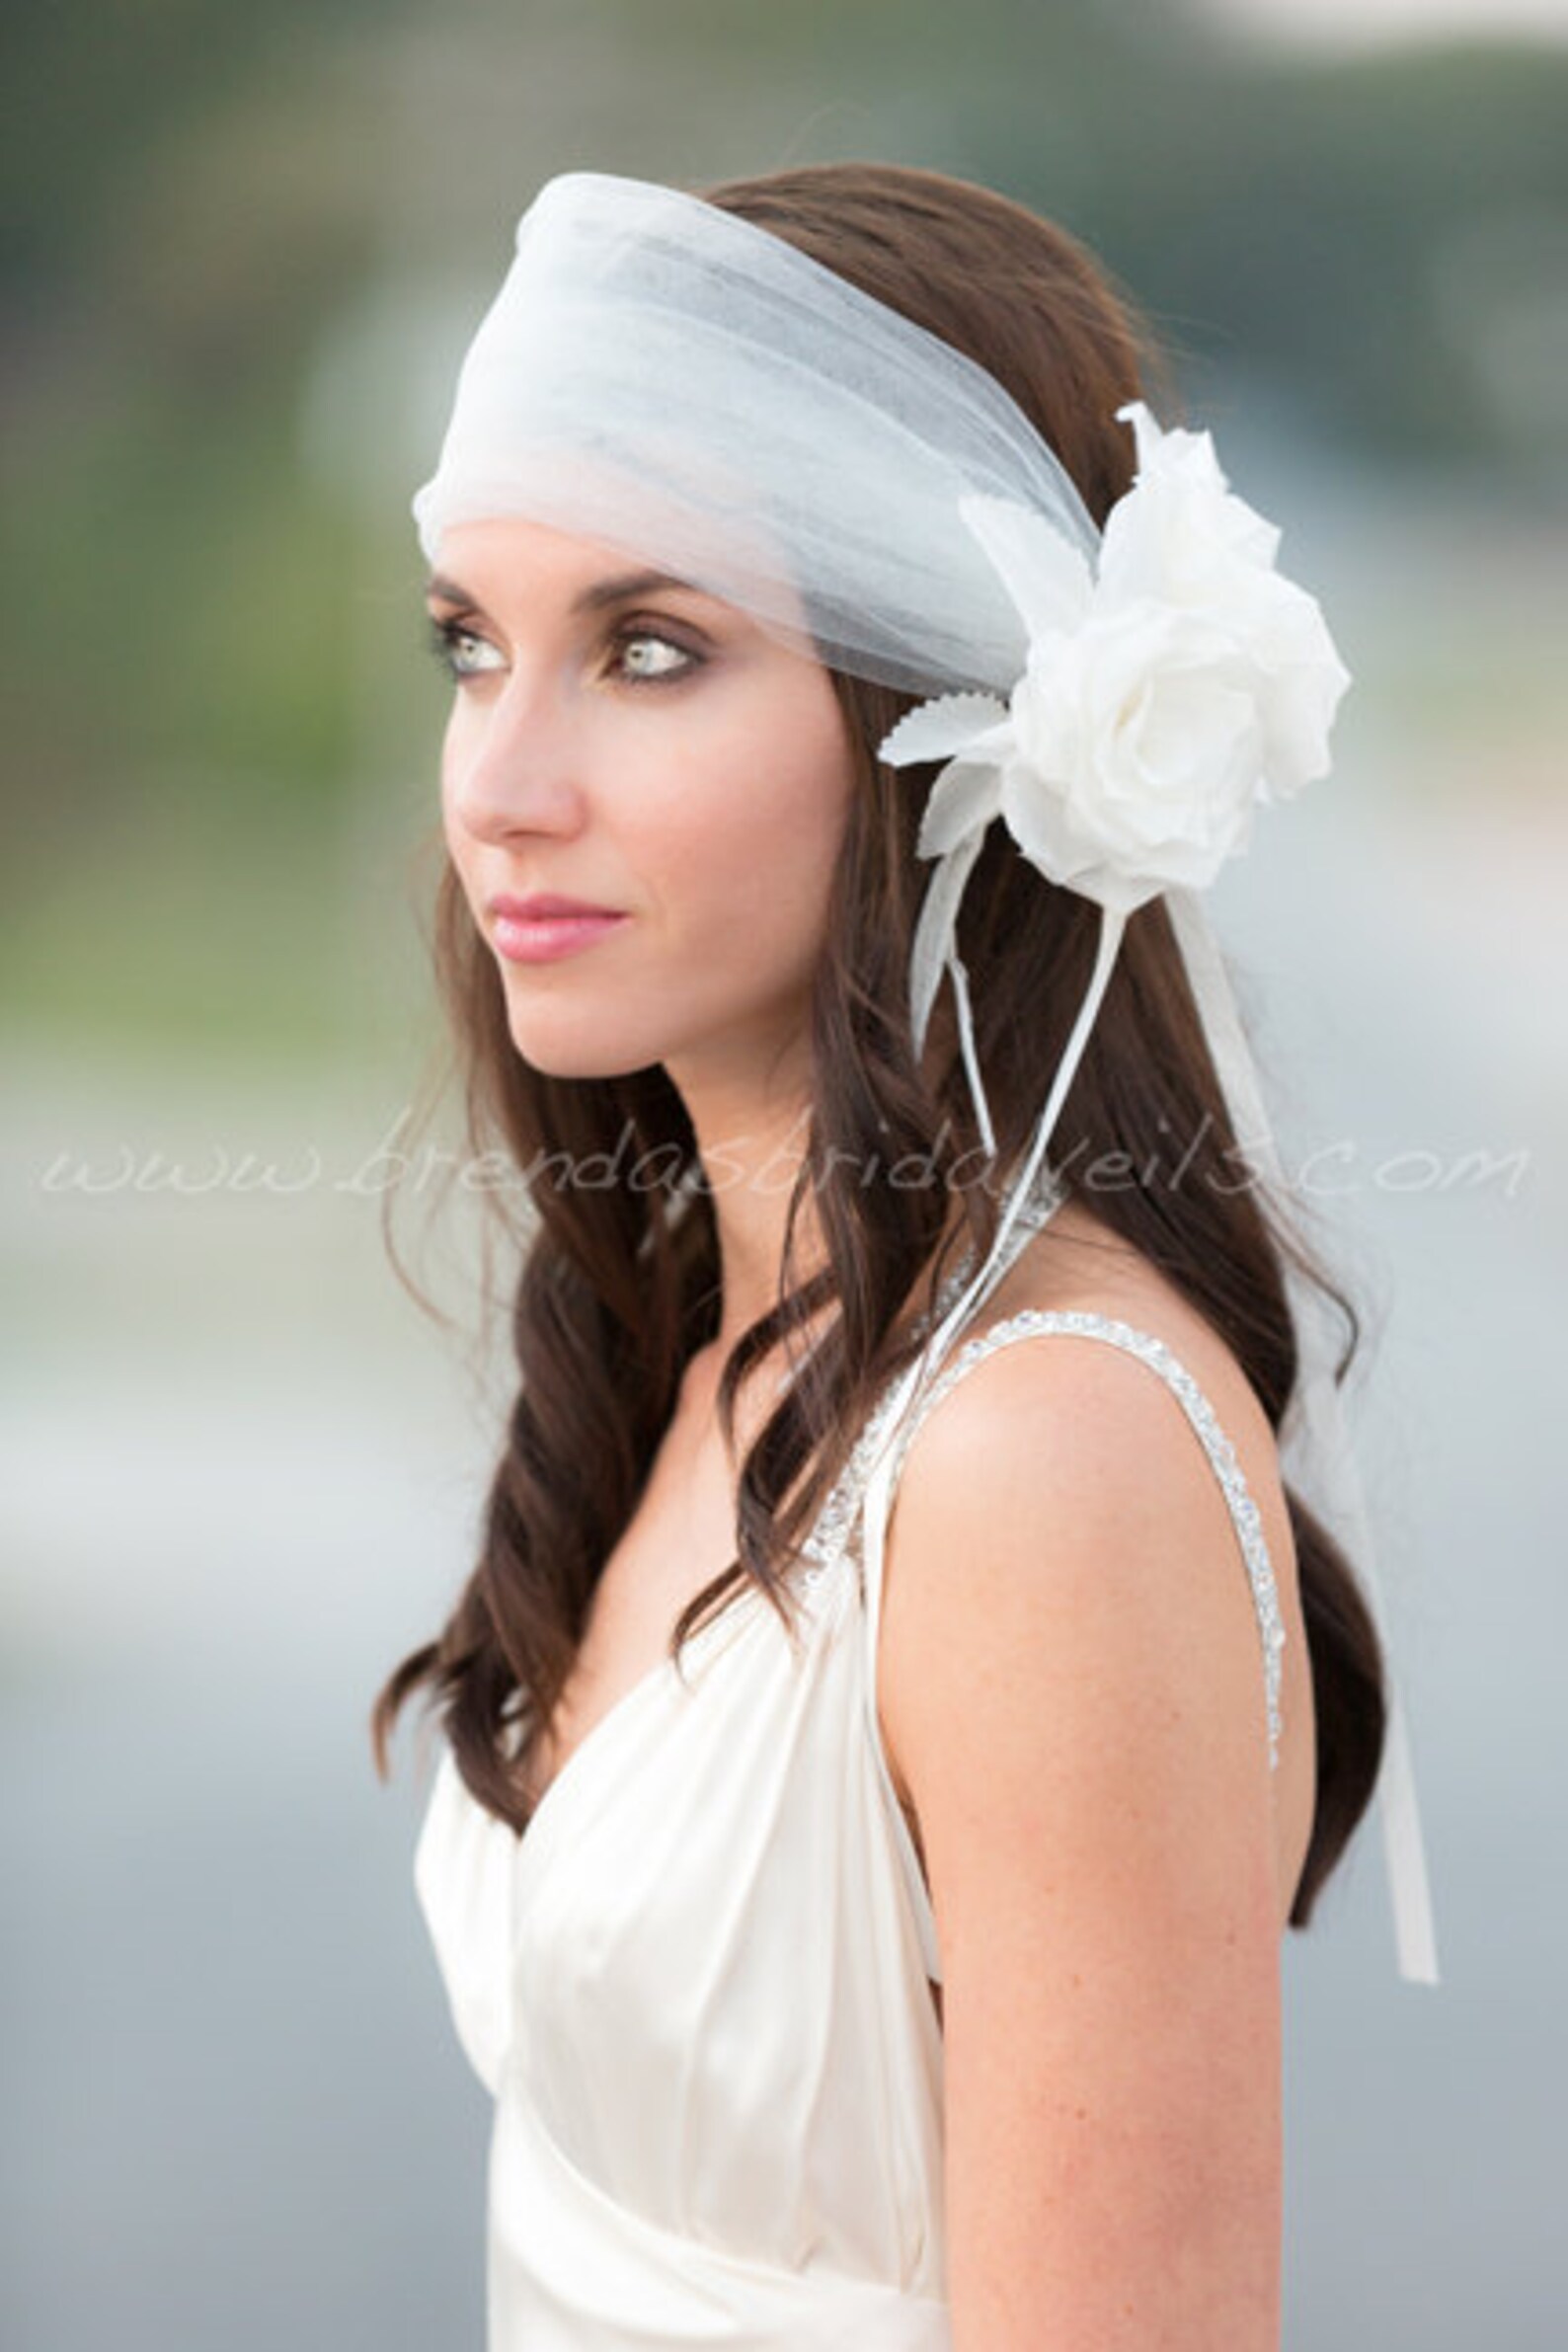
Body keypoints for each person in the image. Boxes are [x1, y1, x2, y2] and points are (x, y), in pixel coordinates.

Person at [372, 163, 1438, 2350]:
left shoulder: (1037, 1452)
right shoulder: (716, 1330)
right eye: (470, 643)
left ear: (938, 715)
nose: (500, 777)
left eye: (647, 650)